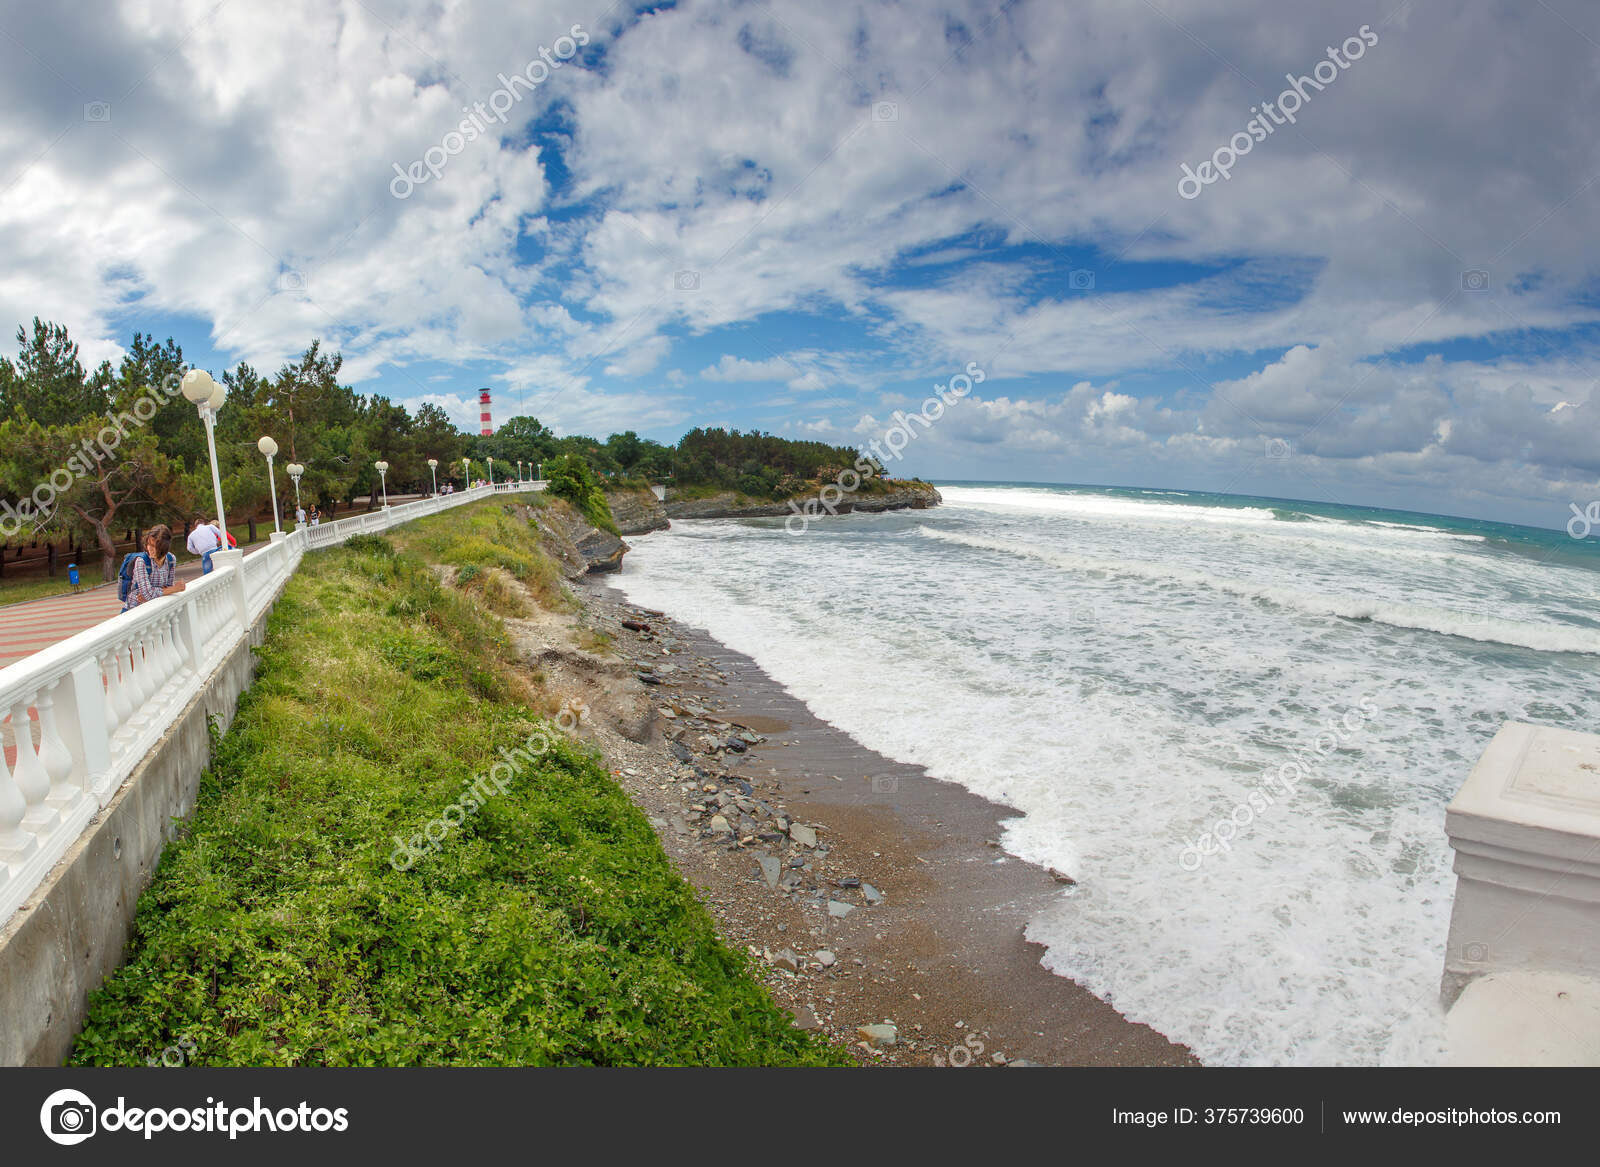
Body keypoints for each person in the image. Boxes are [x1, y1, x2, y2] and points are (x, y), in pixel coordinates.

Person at [122, 525, 185, 613]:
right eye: (148, 544)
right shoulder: (142, 561)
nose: (149, 548)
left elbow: (168, 586)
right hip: (135, 610)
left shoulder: (171, 560)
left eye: (154, 546)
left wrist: (159, 591)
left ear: (164, 547)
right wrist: (173, 589)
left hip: (155, 608)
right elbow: (147, 593)